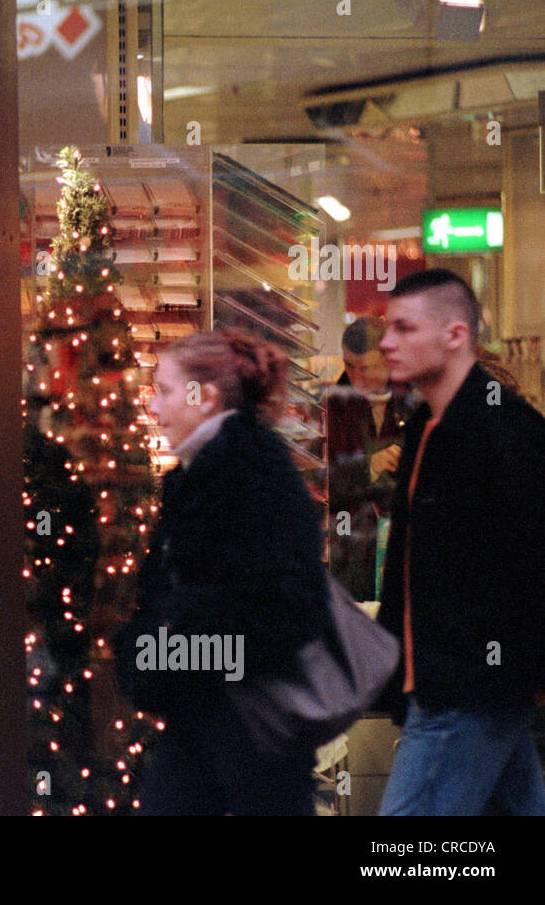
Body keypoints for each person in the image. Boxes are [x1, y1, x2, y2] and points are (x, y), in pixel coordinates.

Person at [115, 329, 333, 815]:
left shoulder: (246, 474)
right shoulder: (205, 472)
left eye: (165, 391)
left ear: (205, 397)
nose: (154, 408)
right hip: (216, 718)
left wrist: (173, 646)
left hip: (252, 724)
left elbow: (285, 604)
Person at [375, 268, 545, 816]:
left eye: (404, 328)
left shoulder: (506, 433)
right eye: (386, 327)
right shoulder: (427, 426)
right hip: (457, 684)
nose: (386, 342)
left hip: (468, 689)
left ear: (454, 334)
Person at [324, 315, 411, 601]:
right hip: (350, 551)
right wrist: (369, 467)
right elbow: (321, 483)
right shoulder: (331, 406)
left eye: (367, 367)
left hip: (405, 545)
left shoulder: (416, 400)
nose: (356, 378)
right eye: (349, 366)